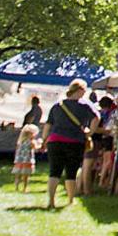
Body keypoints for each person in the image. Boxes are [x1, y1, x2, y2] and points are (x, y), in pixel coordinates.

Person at [43, 80, 98, 209]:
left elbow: (48, 124)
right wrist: (90, 132)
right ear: (79, 90)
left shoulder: (58, 105)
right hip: (75, 141)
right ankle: (70, 200)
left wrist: (45, 139)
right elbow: (96, 117)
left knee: (54, 171)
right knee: (71, 172)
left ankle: (51, 201)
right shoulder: (85, 106)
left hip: (55, 140)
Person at [13, 123, 39, 192]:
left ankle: (16, 187)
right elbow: (36, 148)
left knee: (17, 175)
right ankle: (25, 188)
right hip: (27, 160)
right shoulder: (31, 142)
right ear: (31, 134)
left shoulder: (20, 141)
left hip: (19, 160)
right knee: (26, 176)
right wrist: (39, 143)